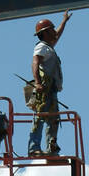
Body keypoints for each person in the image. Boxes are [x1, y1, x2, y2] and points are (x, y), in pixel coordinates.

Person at [27, 11, 71, 157]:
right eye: (51, 29)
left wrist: (64, 21)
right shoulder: (41, 47)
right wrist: (38, 83)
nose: (54, 32)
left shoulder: (48, 47)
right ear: (45, 33)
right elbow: (35, 63)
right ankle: (34, 148)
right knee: (40, 116)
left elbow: (57, 34)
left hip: (51, 90)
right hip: (44, 88)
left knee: (53, 118)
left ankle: (51, 147)